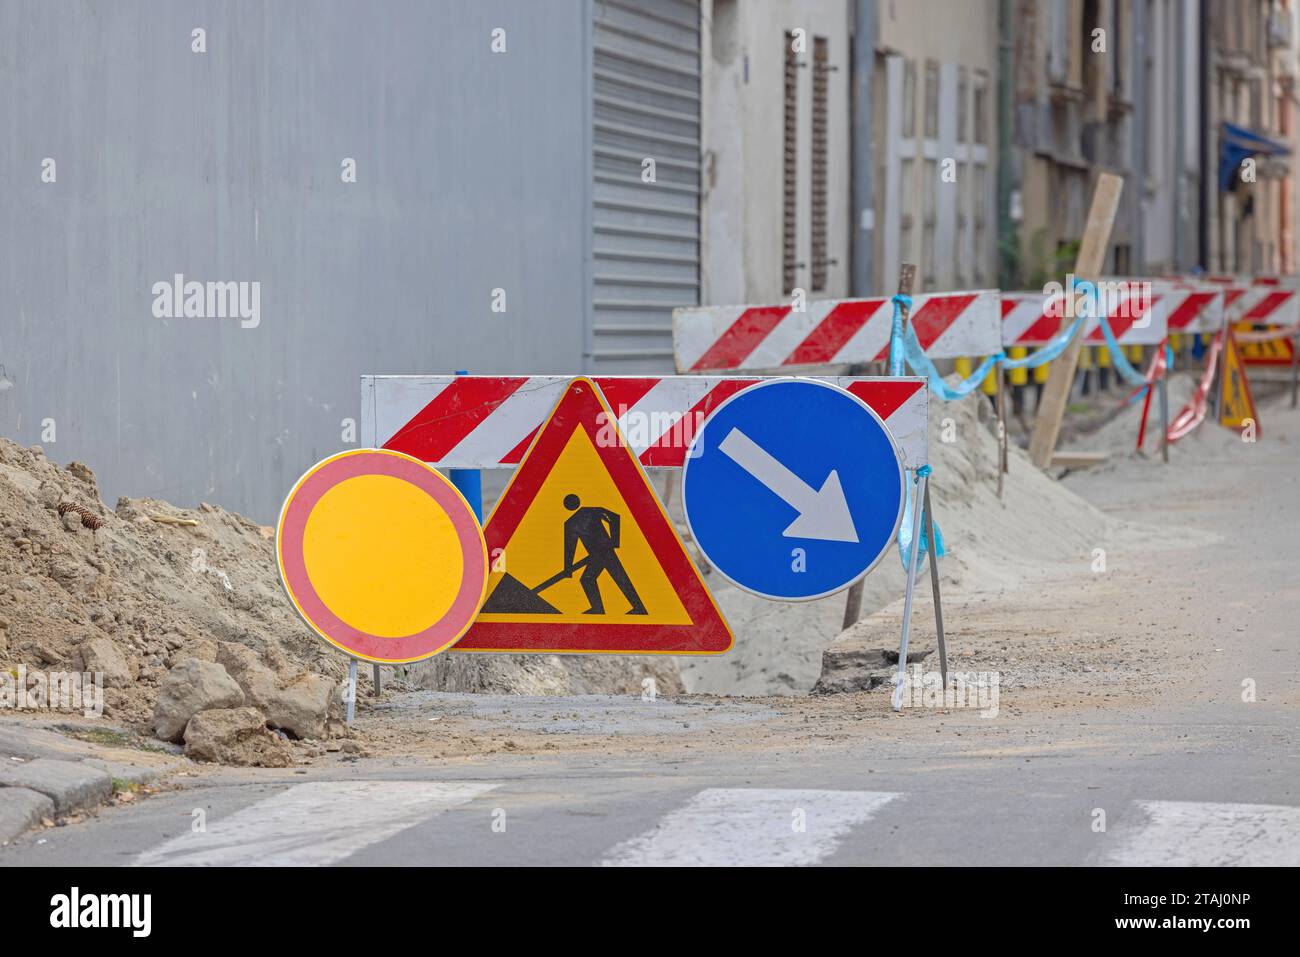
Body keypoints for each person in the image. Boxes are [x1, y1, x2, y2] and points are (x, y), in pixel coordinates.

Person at [562, 494, 647, 615]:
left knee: (618, 578)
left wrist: (614, 541)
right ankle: (598, 610)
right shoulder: (581, 517)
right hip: (596, 555)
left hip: (605, 552)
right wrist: (568, 569)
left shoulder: (586, 514)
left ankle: (638, 608)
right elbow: (570, 547)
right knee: (589, 579)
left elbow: (615, 517)